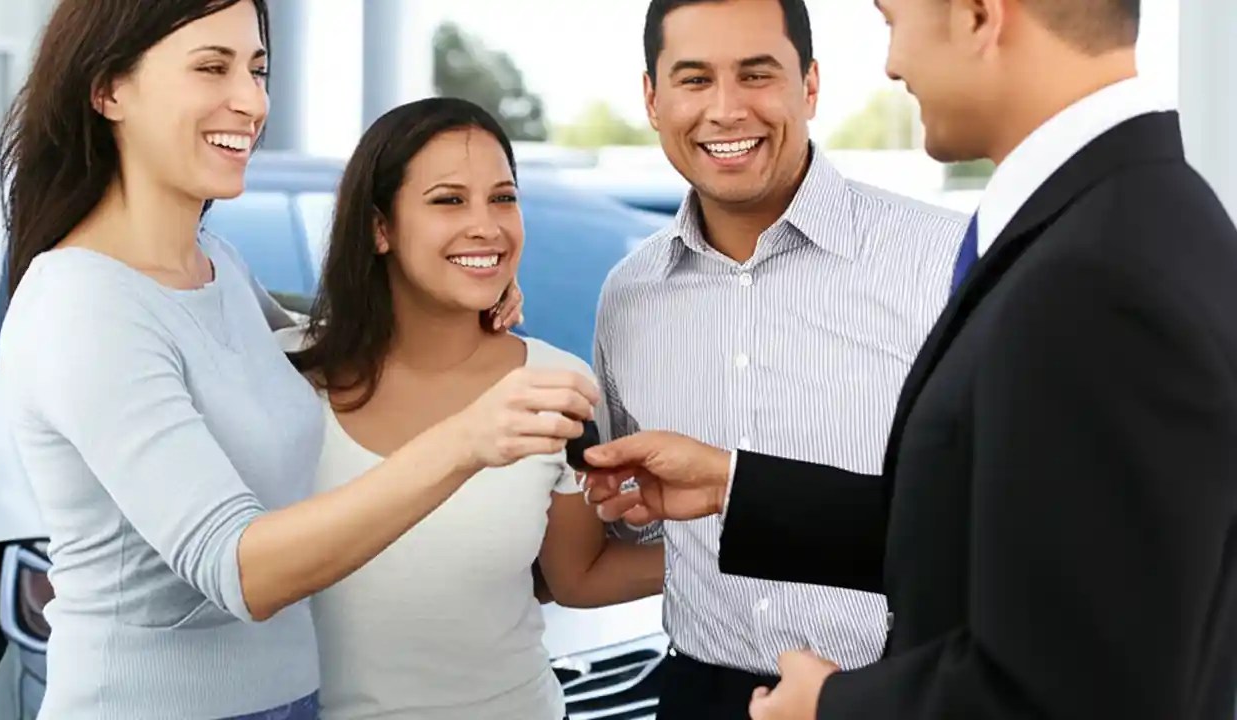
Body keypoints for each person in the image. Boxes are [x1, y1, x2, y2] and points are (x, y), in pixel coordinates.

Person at [586, 0, 1237, 717]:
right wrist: (731, 486)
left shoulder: (1097, 268)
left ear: (980, 15)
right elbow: (983, 533)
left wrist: (833, 706)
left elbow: (1086, 679)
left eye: (894, 19)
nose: (893, 64)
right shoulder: (1122, 223)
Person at [0, 1, 588, 718]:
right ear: (109, 89)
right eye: (212, 66)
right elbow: (239, 569)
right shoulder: (83, 304)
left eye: (258, 68)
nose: (250, 101)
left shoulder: (216, 266)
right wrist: (467, 438)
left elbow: (335, 343)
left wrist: (458, 287)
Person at [587, 0, 964, 716]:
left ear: (810, 86)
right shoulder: (628, 296)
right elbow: (630, 527)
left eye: (756, 75)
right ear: (652, 99)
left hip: (893, 697)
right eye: (694, 80)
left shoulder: (942, 260)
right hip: (698, 694)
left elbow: (990, 517)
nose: (726, 110)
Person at [275, 96, 665, 720]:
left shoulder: (557, 382)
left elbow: (578, 576)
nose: (486, 224)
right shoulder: (285, 376)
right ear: (380, 227)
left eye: (503, 198)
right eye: (448, 200)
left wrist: (742, 544)